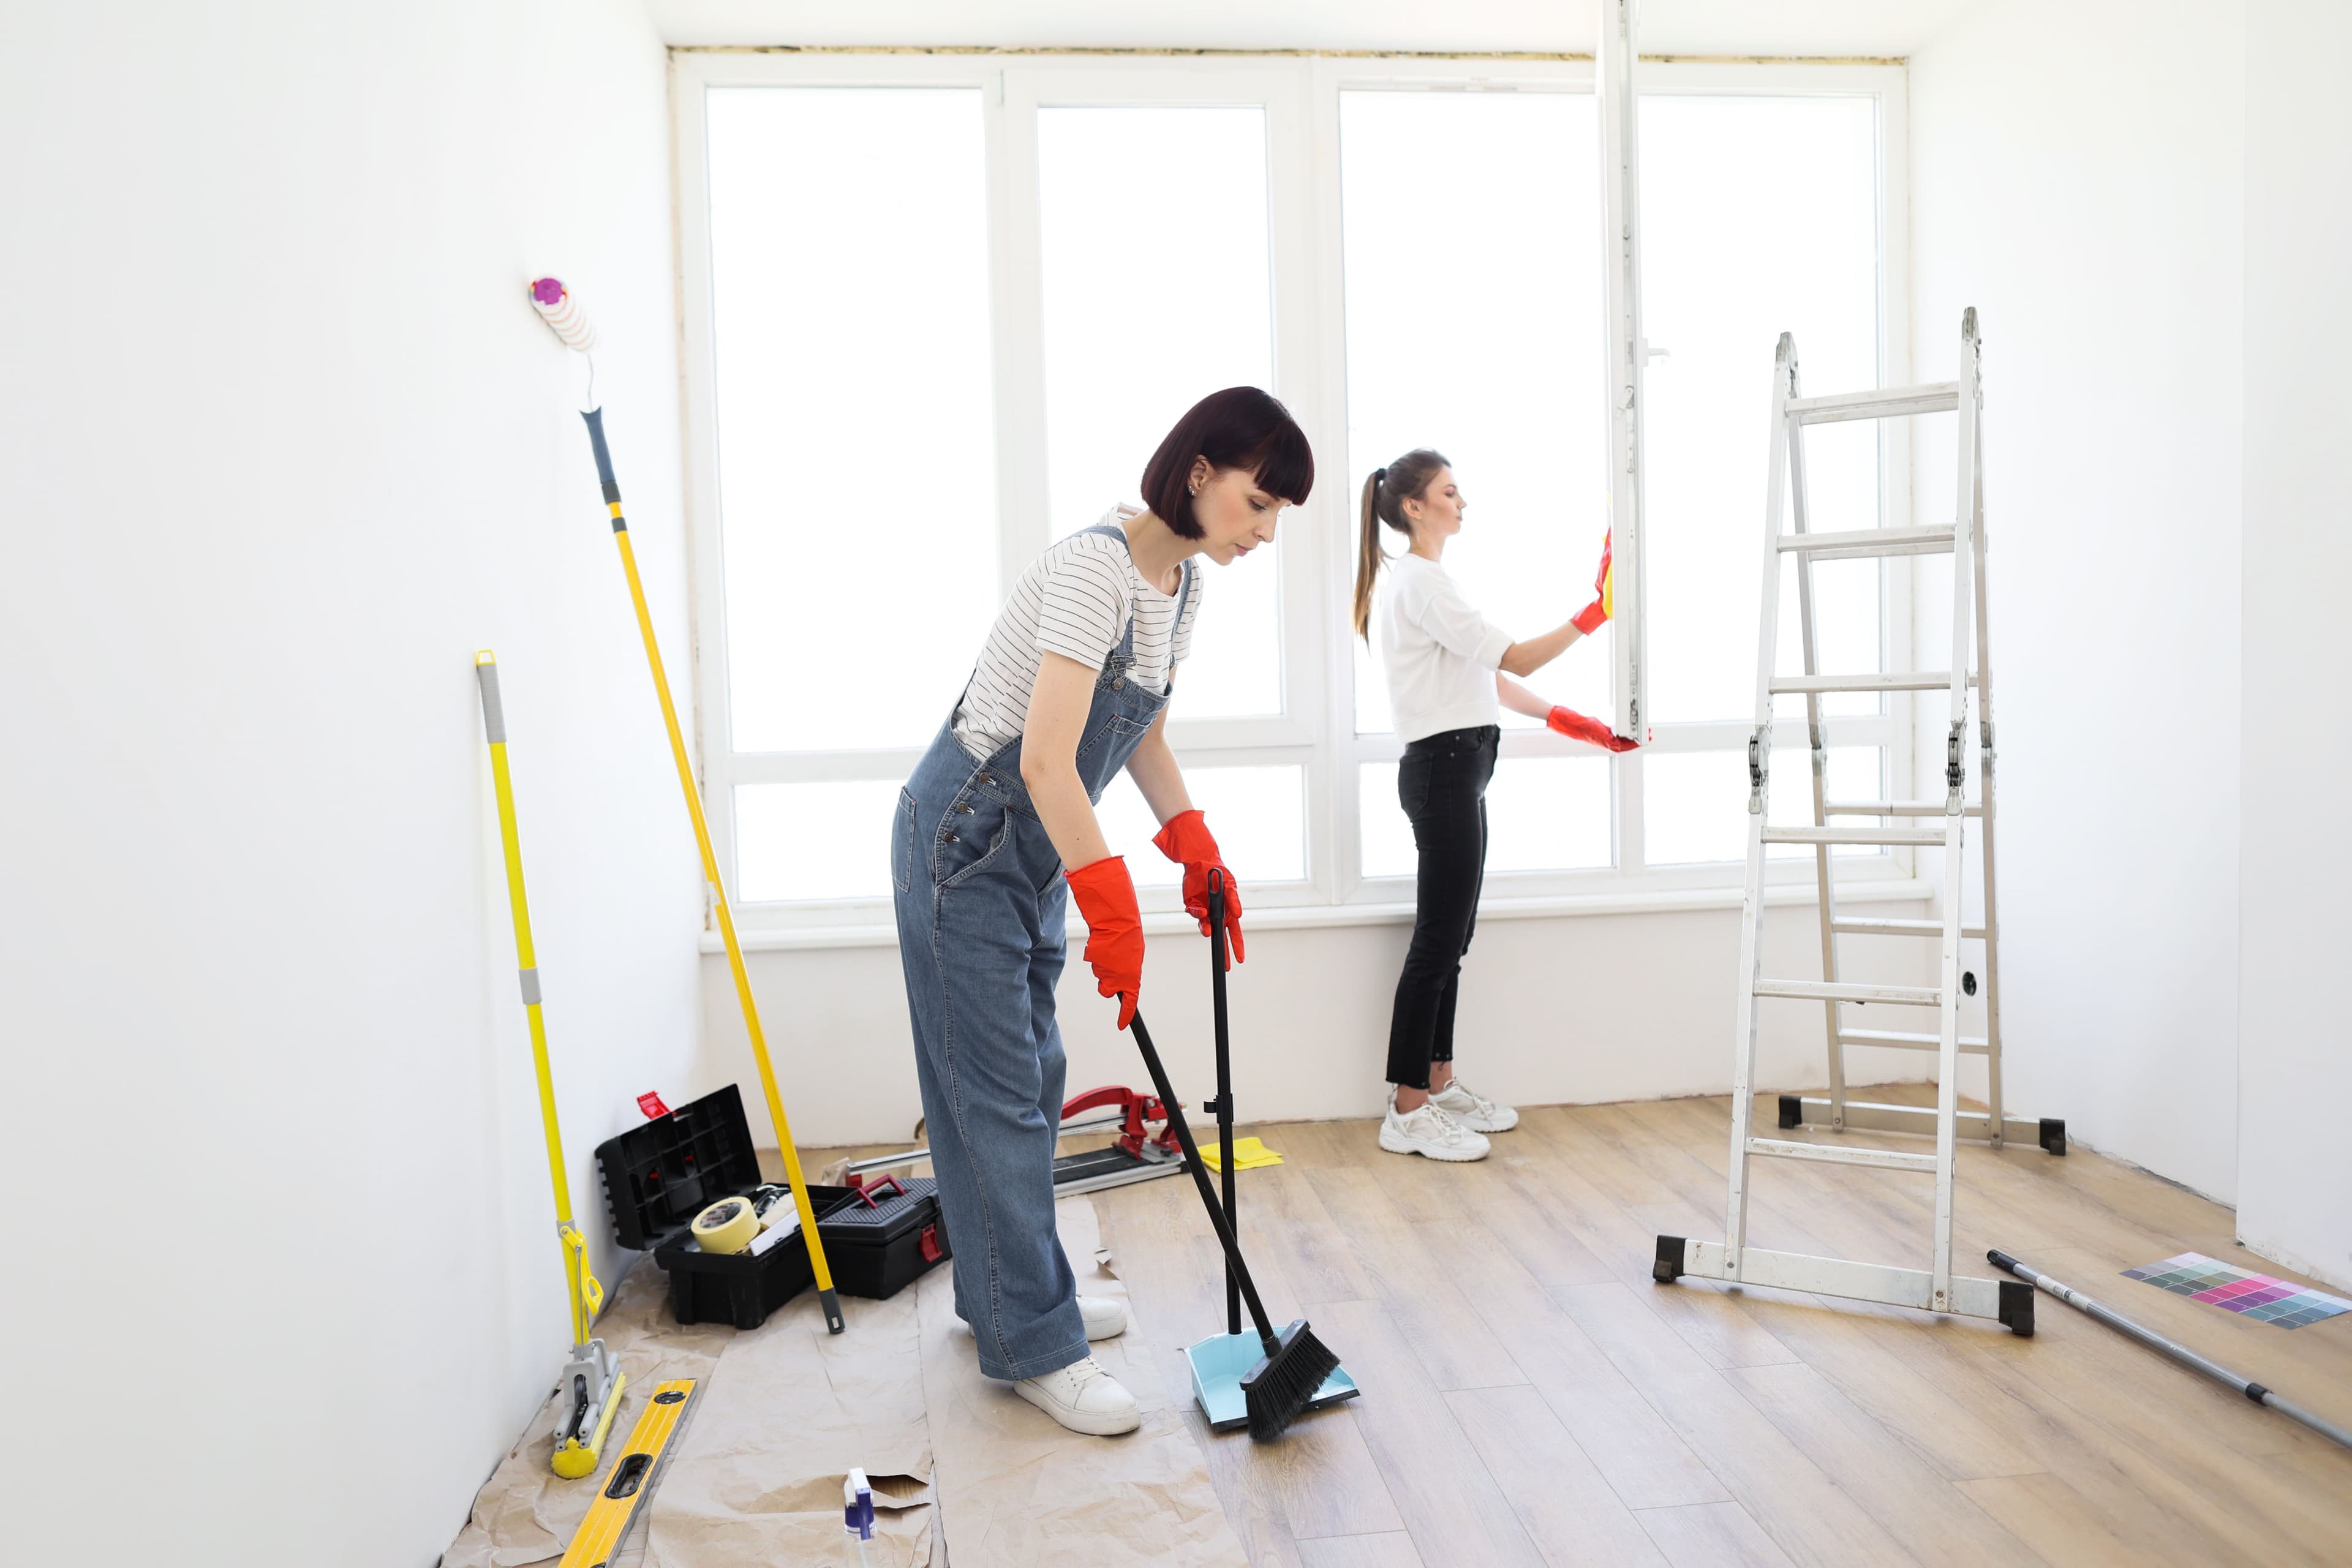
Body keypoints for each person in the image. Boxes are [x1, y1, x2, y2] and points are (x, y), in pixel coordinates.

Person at [891, 387, 1312, 1434]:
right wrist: (1111, 903)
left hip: (1031, 848)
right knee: (996, 1099)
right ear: (1201, 471)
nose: (1264, 534)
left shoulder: (1181, 583)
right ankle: (1035, 1344)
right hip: (968, 843)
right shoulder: (1096, 569)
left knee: (1030, 1077)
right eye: (1257, 505)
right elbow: (1042, 758)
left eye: (1276, 517)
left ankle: (1008, 1297)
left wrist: (1191, 839)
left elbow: (1140, 735)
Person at [1352, 449, 1632, 1163]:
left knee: (1454, 939)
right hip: (1444, 773)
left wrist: (1578, 724)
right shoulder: (1420, 582)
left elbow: (1489, 681)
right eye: (1451, 491)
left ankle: (1437, 1083)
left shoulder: (1420, 581)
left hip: (1457, 771)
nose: (1462, 501)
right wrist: (1595, 612)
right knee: (1437, 943)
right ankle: (1407, 1109)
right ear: (1415, 507)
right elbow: (1517, 658)